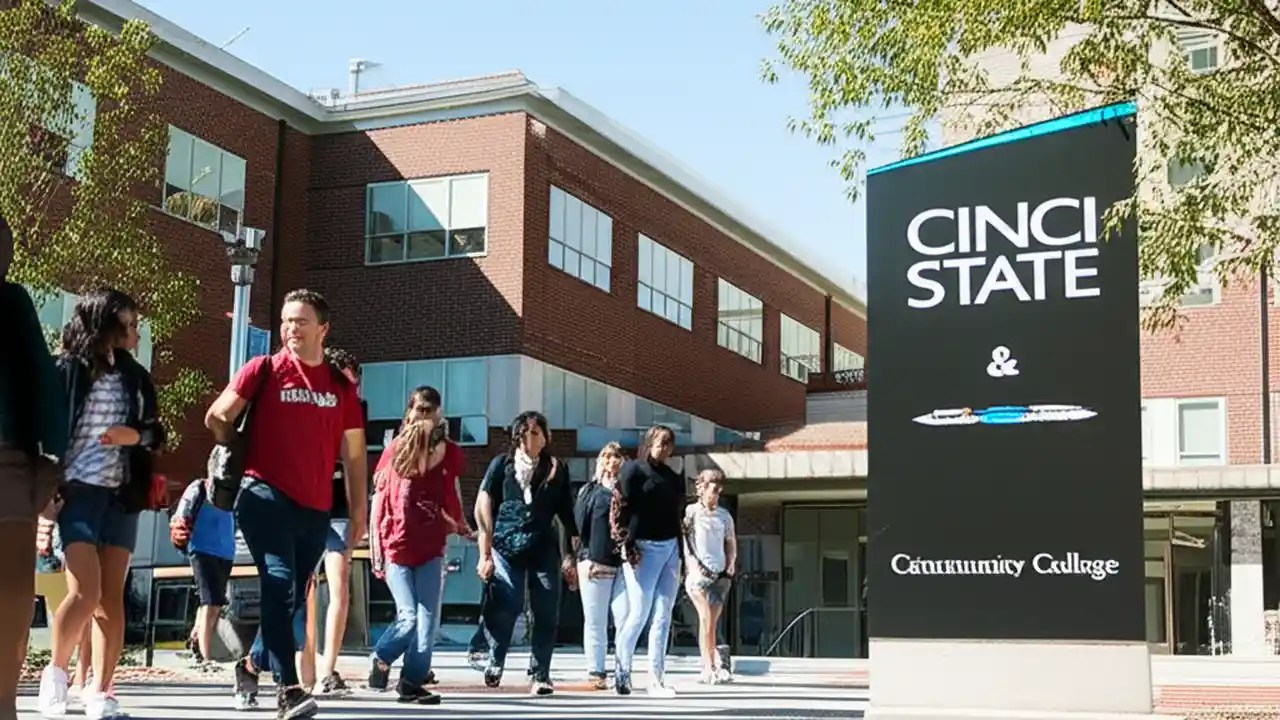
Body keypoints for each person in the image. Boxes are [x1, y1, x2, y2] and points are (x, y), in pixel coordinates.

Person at [205, 289, 367, 720]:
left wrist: (359, 511)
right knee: (278, 582)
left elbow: (354, 456)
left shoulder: (340, 387)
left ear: (323, 329)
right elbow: (216, 415)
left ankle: (251, 663)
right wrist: (236, 443)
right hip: (263, 495)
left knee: (292, 597)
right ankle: (289, 690)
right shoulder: (264, 369)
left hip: (315, 507)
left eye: (301, 321)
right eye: (286, 321)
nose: (291, 328)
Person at [37, 289, 166, 720]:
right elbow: (45, 430)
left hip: (122, 495)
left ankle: (101, 691)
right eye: (128, 323)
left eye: (136, 324)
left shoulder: (135, 377)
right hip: (77, 493)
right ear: (103, 324)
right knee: (85, 591)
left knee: (111, 598)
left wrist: (134, 436)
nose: (135, 332)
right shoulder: (66, 370)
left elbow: (155, 433)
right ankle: (56, 676)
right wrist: (45, 490)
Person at [0, 213, 68, 720]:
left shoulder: (13, 302)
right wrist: (53, 456)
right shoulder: (11, 302)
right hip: (8, 462)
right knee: (11, 588)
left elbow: (42, 381)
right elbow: (42, 380)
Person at [367, 389, 467, 704]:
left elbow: (452, 492)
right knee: (408, 617)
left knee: (426, 625)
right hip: (396, 547)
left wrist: (461, 525)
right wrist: (375, 549)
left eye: (430, 411)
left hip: (431, 548)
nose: (424, 416)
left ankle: (411, 682)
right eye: (419, 410)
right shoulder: (395, 450)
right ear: (409, 413)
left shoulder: (449, 452)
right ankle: (381, 657)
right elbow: (378, 501)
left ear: (439, 414)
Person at [474, 411, 578, 695]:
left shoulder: (556, 468)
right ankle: (495, 659)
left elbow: (567, 515)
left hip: (542, 545)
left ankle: (540, 674)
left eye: (534, 433)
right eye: (523, 433)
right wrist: (485, 554)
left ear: (545, 438)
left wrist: (570, 556)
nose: (528, 438)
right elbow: (484, 507)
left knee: (546, 609)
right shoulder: (502, 465)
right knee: (508, 603)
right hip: (505, 545)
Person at [300, 346, 365, 697]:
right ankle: (303, 665)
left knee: (340, 587)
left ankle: (328, 670)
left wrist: (359, 512)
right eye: (345, 383)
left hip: (339, 507)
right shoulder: (310, 403)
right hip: (308, 502)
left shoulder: (355, 410)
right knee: (303, 587)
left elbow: (355, 464)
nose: (350, 391)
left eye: (354, 385)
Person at [612, 425, 683, 698]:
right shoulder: (633, 470)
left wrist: (682, 553)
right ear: (649, 443)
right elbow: (619, 508)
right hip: (642, 547)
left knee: (663, 615)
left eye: (669, 444)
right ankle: (622, 669)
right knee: (639, 612)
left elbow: (677, 517)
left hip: (670, 547)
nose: (664, 448)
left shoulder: (673, 477)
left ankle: (656, 679)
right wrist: (625, 543)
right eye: (660, 442)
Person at [575, 442, 629, 690]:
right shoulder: (591, 491)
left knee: (625, 615)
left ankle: (622, 668)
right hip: (595, 560)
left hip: (624, 563)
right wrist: (576, 557)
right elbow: (577, 527)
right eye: (607, 457)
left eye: (617, 457)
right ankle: (596, 670)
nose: (612, 461)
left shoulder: (628, 491)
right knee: (595, 619)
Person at [170, 474, 237, 668]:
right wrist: (179, 531)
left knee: (214, 603)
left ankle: (197, 640)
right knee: (210, 603)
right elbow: (181, 513)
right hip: (201, 548)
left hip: (226, 551)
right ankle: (206, 657)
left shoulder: (235, 492)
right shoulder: (199, 487)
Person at [681, 469, 736, 685]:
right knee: (704, 618)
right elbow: (686, 541)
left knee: (712, 623)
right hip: (698, 575)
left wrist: (731, 563)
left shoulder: (724, 515)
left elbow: (730, 541)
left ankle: (713, 664)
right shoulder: (692, 512)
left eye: (719, 491)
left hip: (720, 574)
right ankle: (707, 666)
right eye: (713, 490)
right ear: (701, 489)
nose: (715, 495)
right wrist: (689, 566)